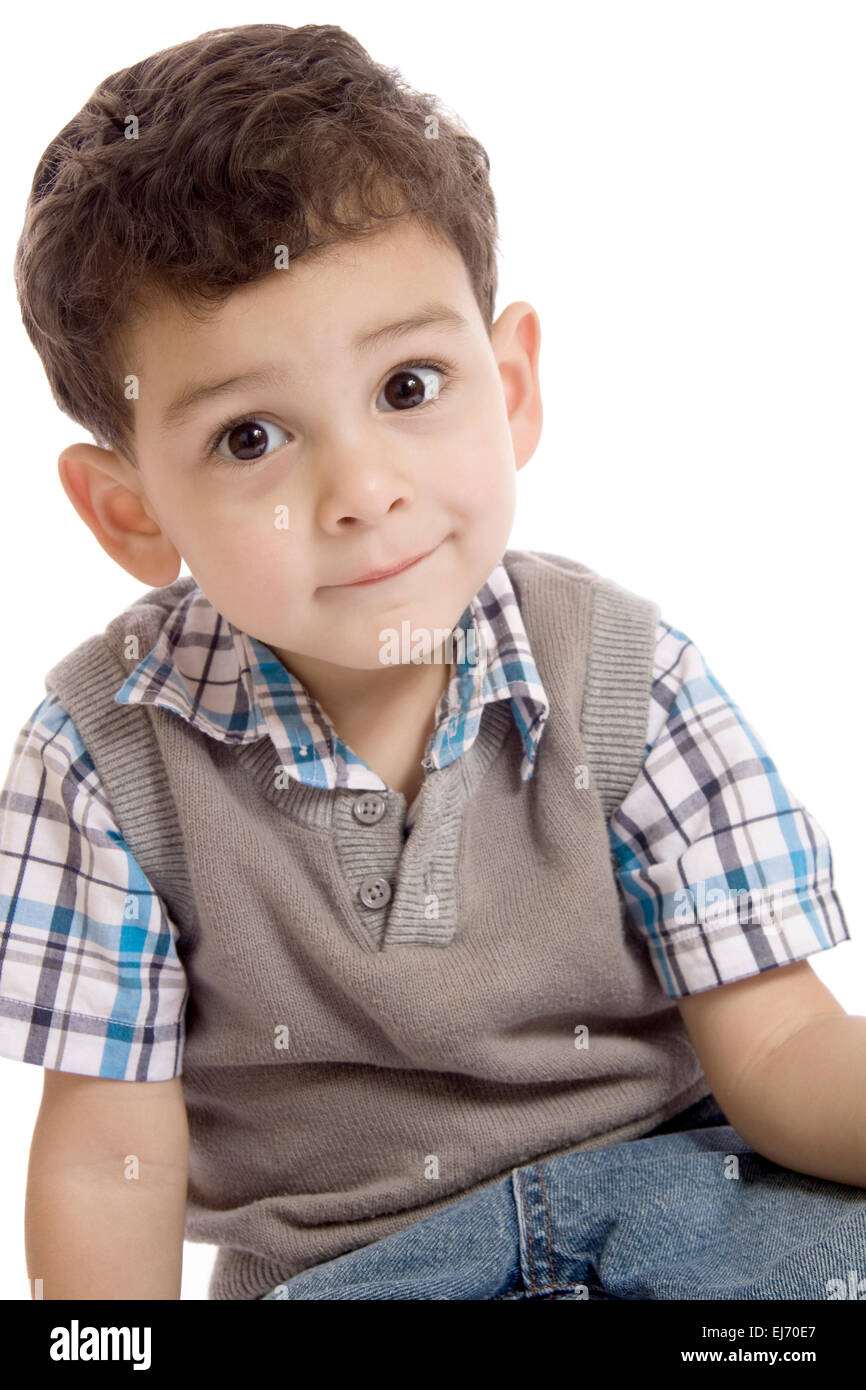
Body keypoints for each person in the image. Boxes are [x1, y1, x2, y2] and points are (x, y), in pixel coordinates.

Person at [2, 23, 862, 1302]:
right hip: (356, 1267)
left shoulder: (625, 677)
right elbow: (106, 1157)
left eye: (407, 386)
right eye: (250, 436)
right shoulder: (106, 755)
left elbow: (781, 1039)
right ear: (131, 511)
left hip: (682, 1214)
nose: (361, 492)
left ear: (508, 386)